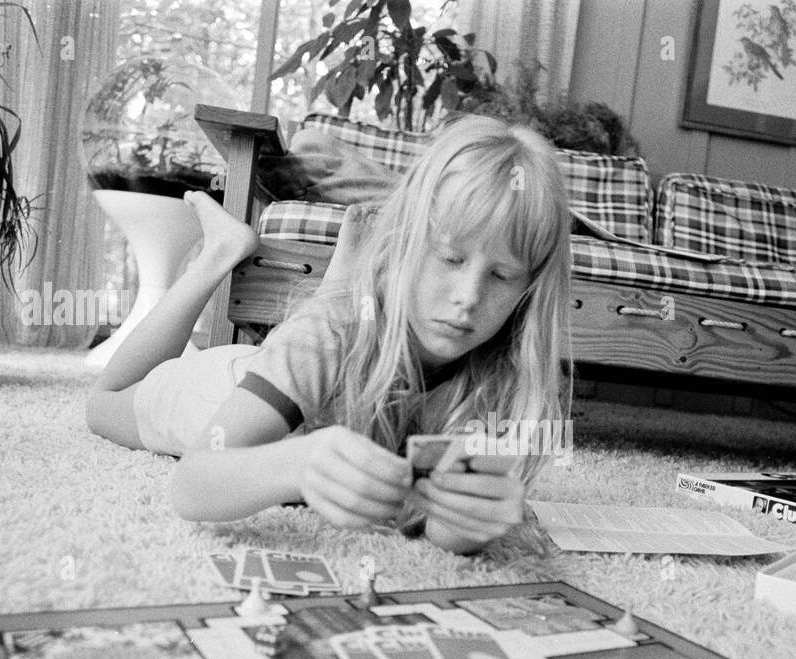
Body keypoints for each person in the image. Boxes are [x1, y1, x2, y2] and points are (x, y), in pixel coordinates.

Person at [85, 115, 572, 555]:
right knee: (103, 403)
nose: (469, 297)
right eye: (449, 257)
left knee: (335, 329)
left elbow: (440, 530)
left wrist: (466, 516)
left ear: (528, 289)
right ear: (404, 242)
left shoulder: (506, 375)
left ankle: (340, 279)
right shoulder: (327, 335)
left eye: (503, 276)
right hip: (220, 391)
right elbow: (193, 484)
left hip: (300, 370)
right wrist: (299, 464)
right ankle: (219, 254)